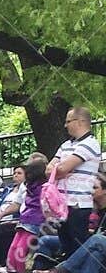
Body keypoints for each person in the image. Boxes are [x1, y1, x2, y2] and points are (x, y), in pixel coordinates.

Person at [51, 106, 100, 255]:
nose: (65, 125)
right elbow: (49, 170)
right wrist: (60, 169)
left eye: (68, 121)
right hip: (61, 204)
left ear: (80, 121)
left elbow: (60, 169)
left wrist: (60, 168)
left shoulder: (90, 143)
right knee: (65, 245)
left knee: (77, 245)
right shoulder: (66, 145)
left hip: (78, 204)